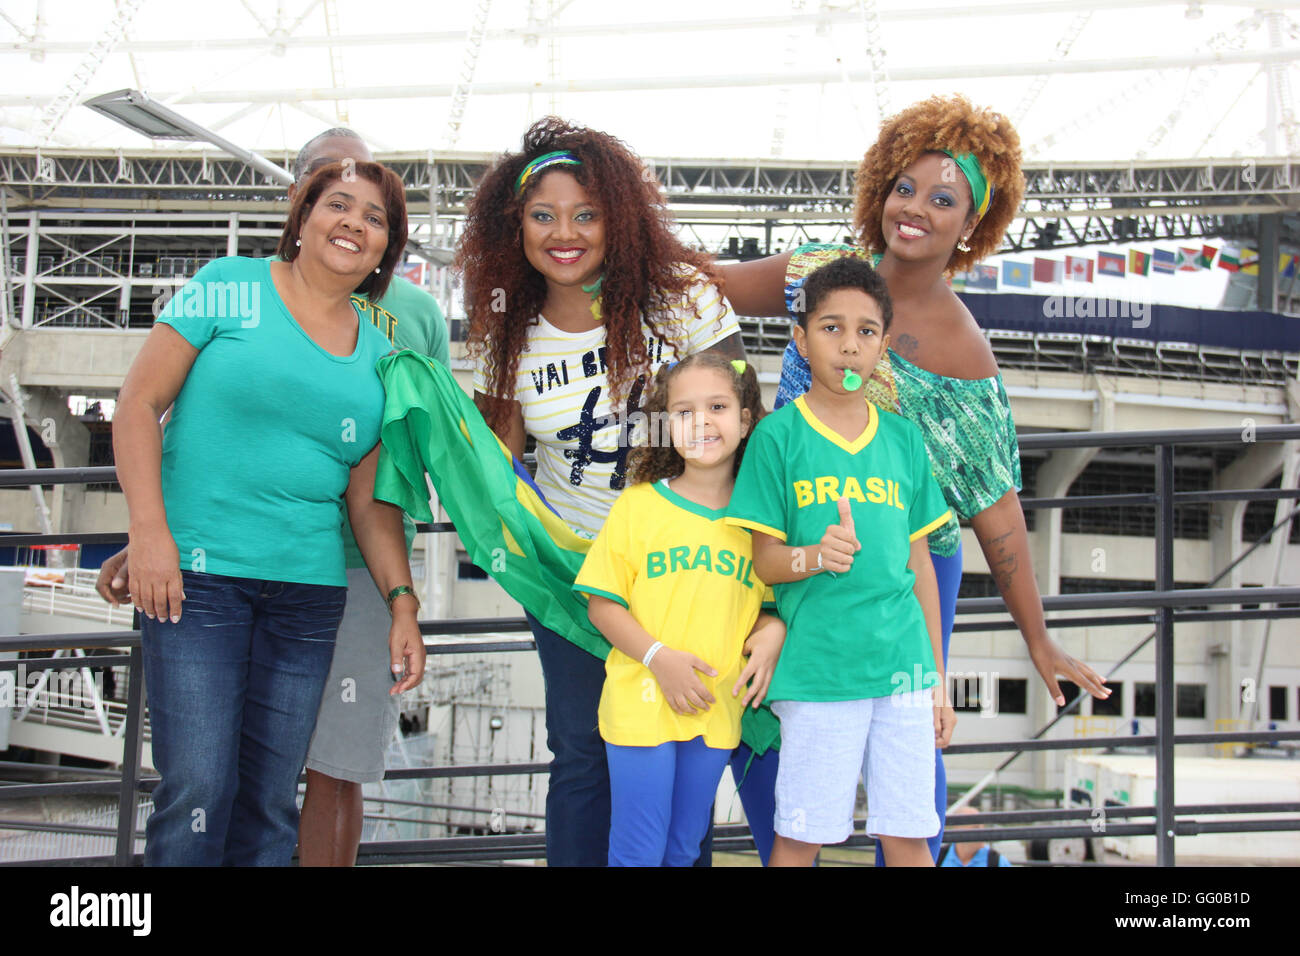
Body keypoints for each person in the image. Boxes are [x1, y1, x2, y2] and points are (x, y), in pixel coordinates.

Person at [719, 94, 1109, 863]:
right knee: (765, 735)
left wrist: (1038, 638)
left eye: (944, 199)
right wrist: (611, 239)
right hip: (783, 542)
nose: (916, 209)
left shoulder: (965, 356)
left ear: (972, 224)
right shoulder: (821, 275)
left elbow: (997, 519)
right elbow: (712, 282)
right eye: (904, 187)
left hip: (903, 570)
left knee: (907, 769)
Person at [99, 128, 450, 867]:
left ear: (389, 249)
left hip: (308, 596)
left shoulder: (383, 355)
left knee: (268, 801)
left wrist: (403, 603)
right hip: (198, 582)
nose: (354, 222)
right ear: (303, 215)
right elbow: (136, 404)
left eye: (376, 217)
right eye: (338, 204)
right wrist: (149, 533)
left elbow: (371, 501)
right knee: (196, 787)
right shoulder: (227, 285)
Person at [461, 116, 747, 866]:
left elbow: (742, 427)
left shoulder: (682, 299)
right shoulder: (507, 330)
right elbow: (498, 464)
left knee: (685, 742)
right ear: (513, 223)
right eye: (544, 215)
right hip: (576, 573)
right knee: (583, 749)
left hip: (687, 564)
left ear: (618, 218)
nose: (566, 233)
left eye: (587, 214)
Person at [726, 257, 955, 867]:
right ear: (801, 338)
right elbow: (764, 563)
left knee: (909, 836)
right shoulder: (778, 437)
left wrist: (935, 678)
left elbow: (921, 568)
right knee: (801, 836)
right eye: (831, 328)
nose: (848, 346)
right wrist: (815, 555)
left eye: (865, 332)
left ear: (883, 343)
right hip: (820, 669)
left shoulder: (904, 440)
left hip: (903, 669)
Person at [574, 354, 784, 866]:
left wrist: (774, 628)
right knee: (638, 851)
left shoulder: (760, 520)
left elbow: (766, 604)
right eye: (684, 411)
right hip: (642, 697)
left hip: (714, 707)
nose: (702, 422)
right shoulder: (639, 506)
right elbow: (602, 604)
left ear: (746, 418)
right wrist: (659, 658)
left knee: (684, 847)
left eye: (717, 406)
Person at [938, 806, 1013, 867]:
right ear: (957, 828)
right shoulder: (938, 857)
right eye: (976, 827)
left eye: (982, 827)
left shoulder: (996, 861)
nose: (982, 832)